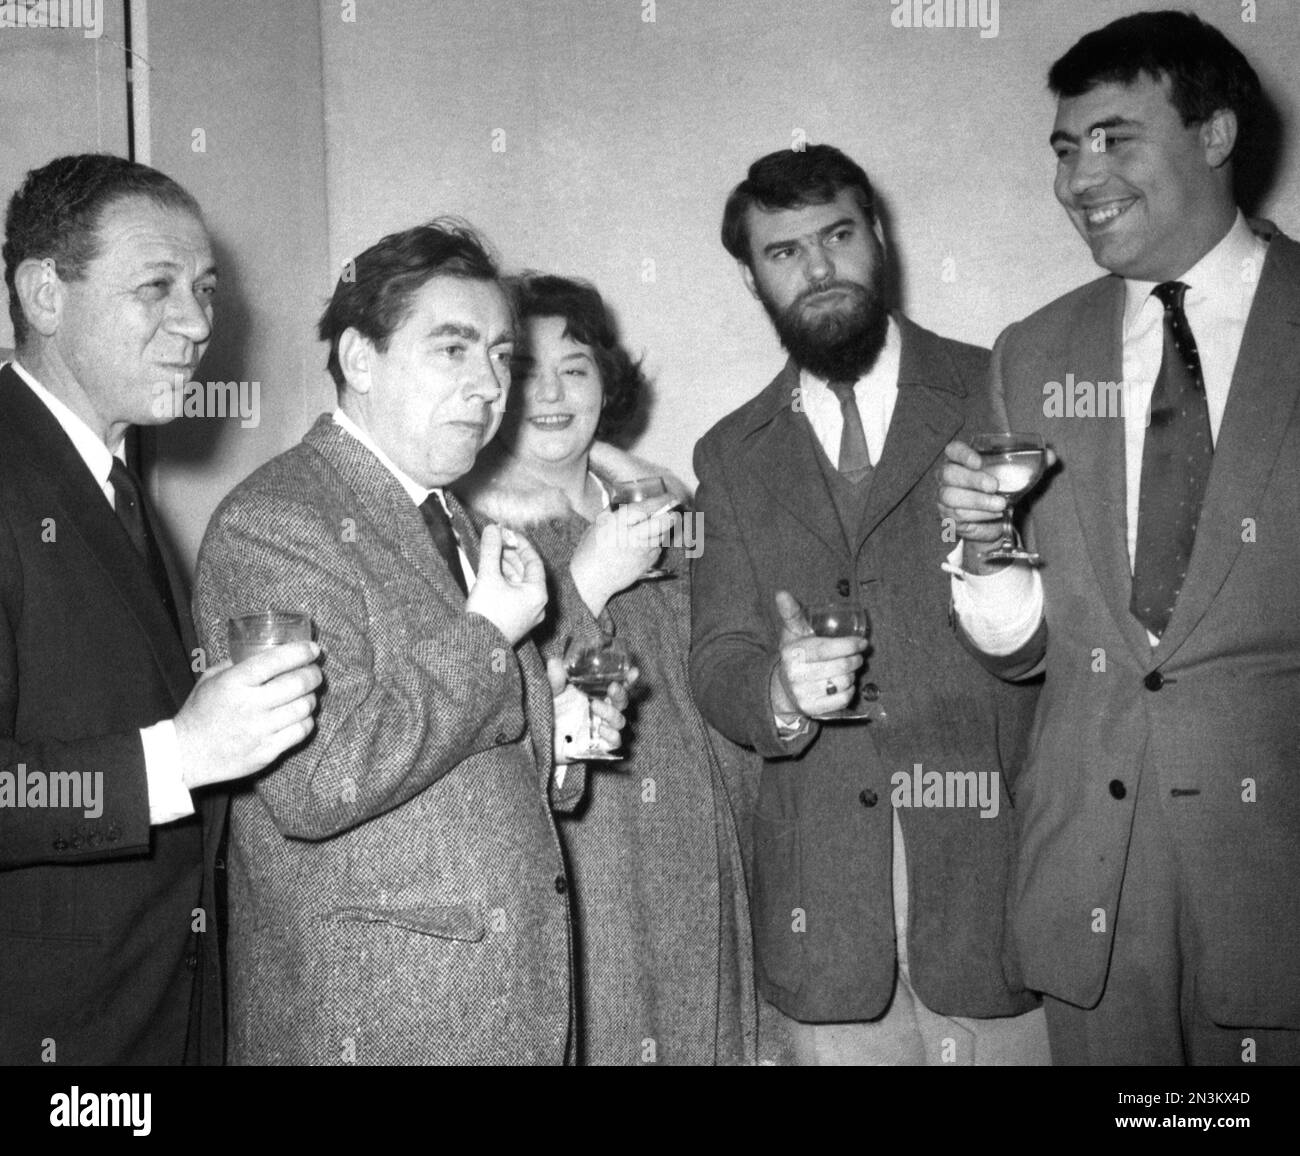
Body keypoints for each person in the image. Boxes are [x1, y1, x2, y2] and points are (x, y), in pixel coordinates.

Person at [938, 10, 1300, 1064]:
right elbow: (1021, 651)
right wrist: (982, 546)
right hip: (1090, 896)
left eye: (1112, 137)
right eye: (1063, 147)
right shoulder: (1031, 351)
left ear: (1216, 134)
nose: (1077, 178)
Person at [192, 220, 625, 1065]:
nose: (489, 385)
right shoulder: (278, 521)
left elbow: (464, 735)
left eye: (500, 356)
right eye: (453, 350)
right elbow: (316, 781)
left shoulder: (449, 515)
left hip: (497, 1008)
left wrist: (553, 728)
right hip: (381, 1022)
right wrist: (492, 636)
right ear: (360, 360)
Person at [690, 144, 1047, 1065]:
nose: (817, 269)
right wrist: (776, 690)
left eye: (837, 235)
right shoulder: (729, 453)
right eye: (783, 252)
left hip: (1000, 883)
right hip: (825, 915)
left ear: (877, 237)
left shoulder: (1002, 388)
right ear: (749, 277)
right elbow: (719, 655)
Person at [0, 153, 322, 1064]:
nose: (196, 323)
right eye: (157, 286)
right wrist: (177, 755)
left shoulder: (110, 482)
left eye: (207, 289)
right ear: (44, 294)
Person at [457, 273, 758, 1065]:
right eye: (524, 371)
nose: (551, 394)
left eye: (577, 367)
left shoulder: (672, 512)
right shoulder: (470, 535)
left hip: (704, 851)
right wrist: (588, 579)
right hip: (581, 864)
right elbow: (491, 707)